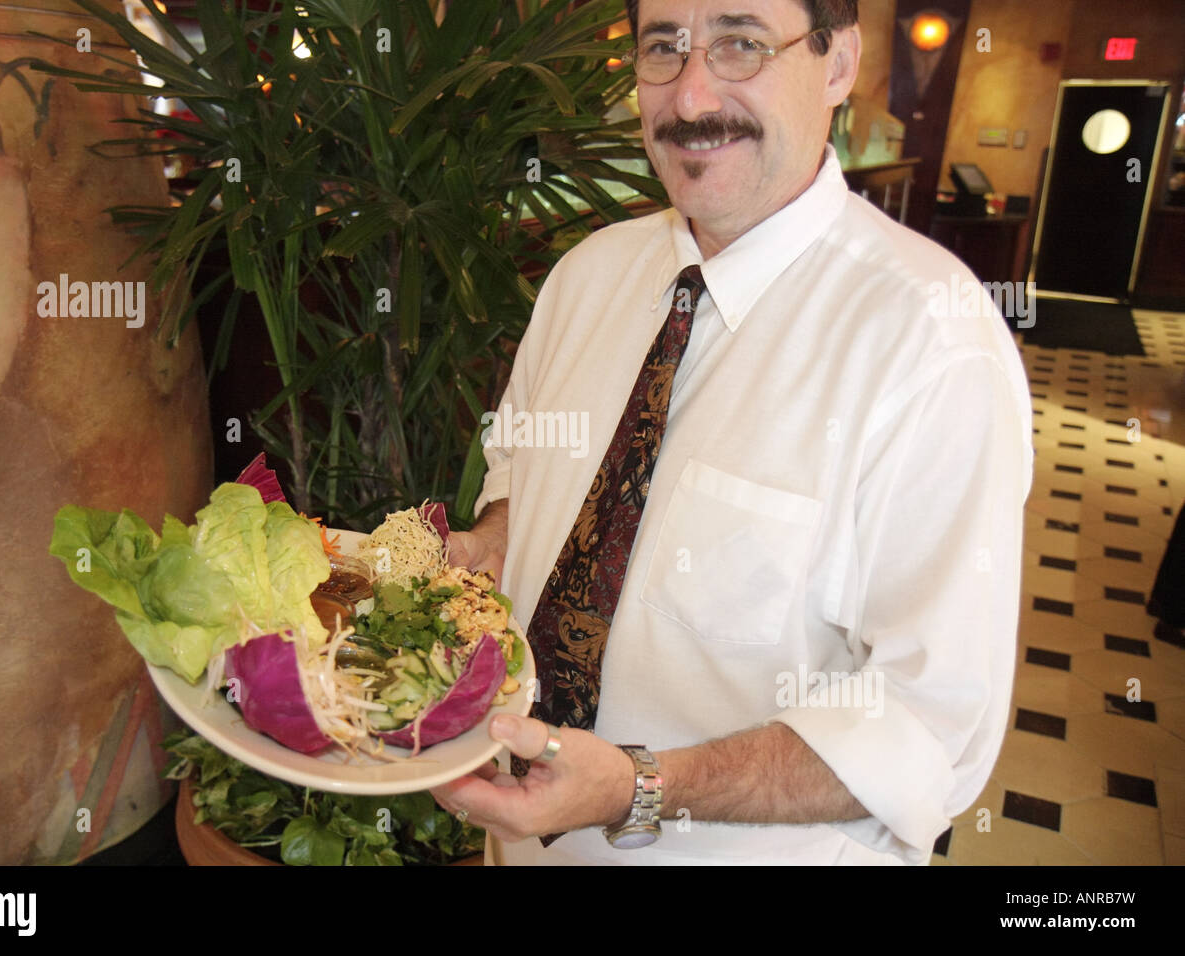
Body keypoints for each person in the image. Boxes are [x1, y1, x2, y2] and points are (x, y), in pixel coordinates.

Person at [432, 0, 1034, 865]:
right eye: (664, 48)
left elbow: (928, 726)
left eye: (741, 44)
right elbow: (522, 474)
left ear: (837, 64)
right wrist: (492, 543)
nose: (691, 96)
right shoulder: (585, 276)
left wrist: (641, 784)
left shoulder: (929, 344)